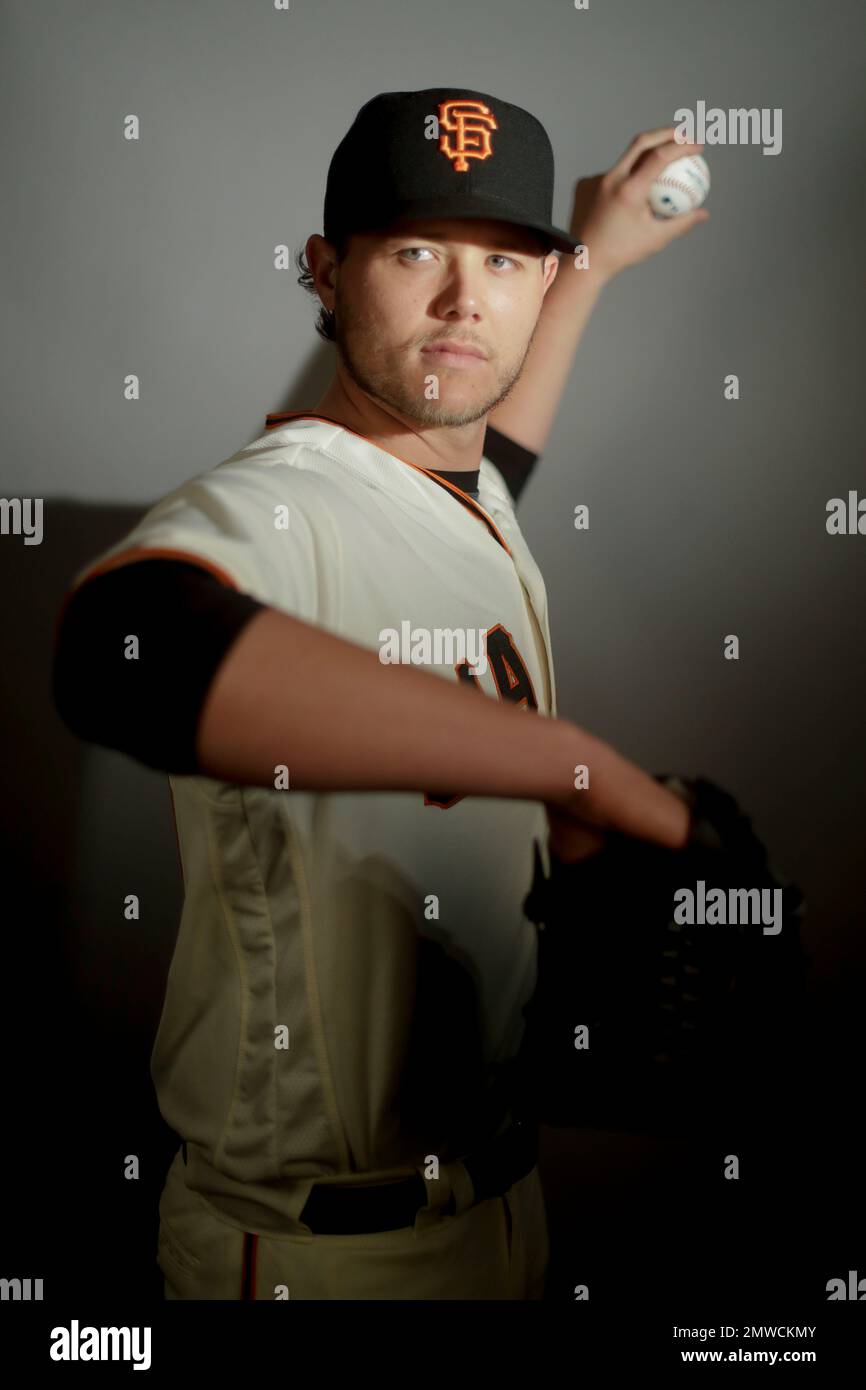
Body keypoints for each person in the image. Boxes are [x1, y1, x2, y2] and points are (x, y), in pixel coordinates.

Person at [52, 87, 707, 1300]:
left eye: (505, 264)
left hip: (507, 1217)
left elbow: (490, 449)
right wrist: (577, 767)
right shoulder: (279, 503)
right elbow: (118, 646)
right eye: (416, 254)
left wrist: (599, 255)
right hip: (319, 1258)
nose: (466, 305)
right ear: (324, 269)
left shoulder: (465, 488)